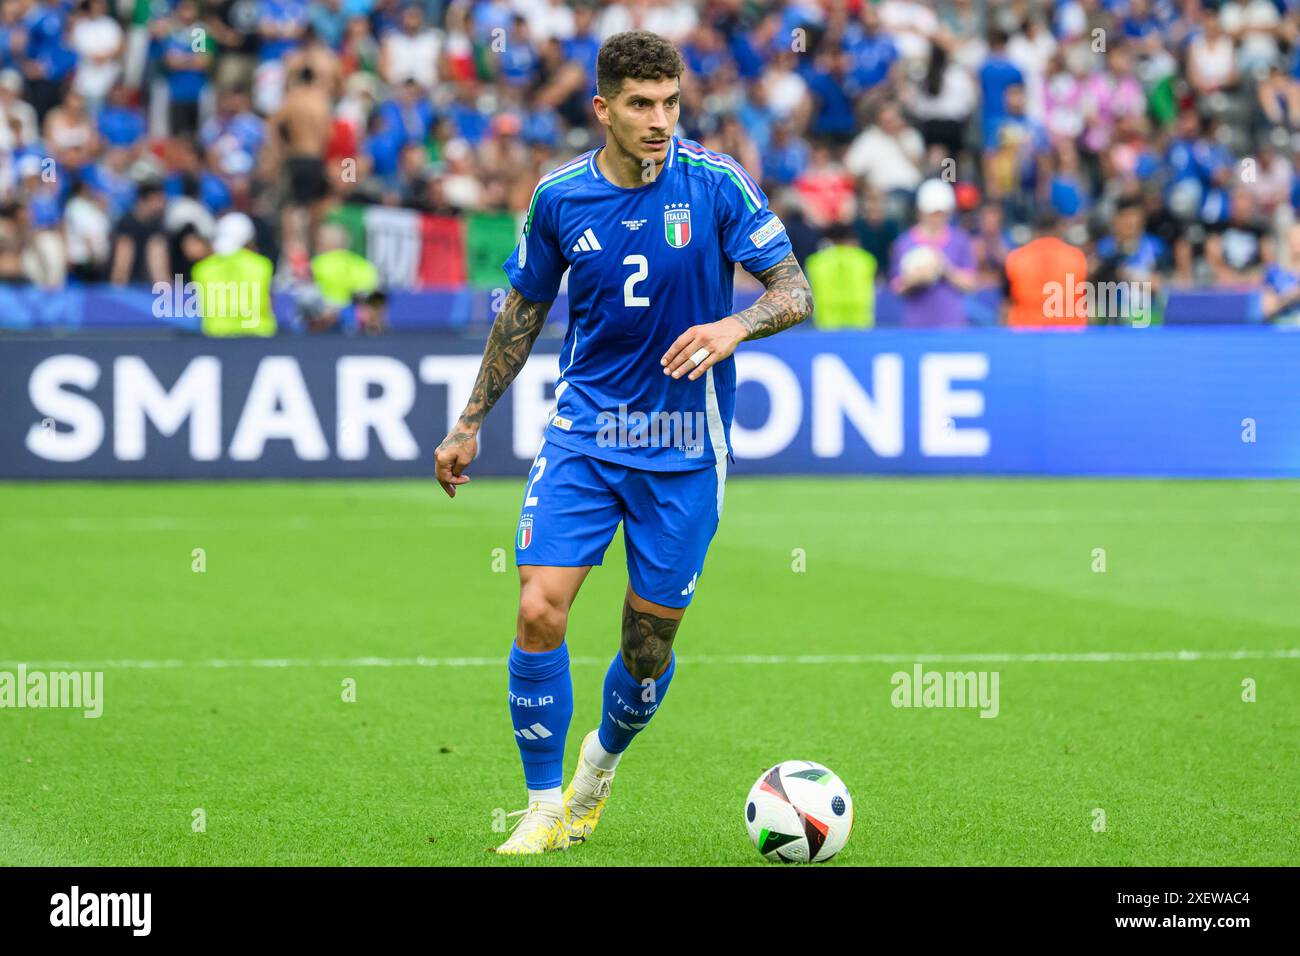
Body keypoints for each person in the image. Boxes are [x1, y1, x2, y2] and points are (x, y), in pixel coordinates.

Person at [433, 30, 813, 856]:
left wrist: (732, 325)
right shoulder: (560, 197)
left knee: (647, 648)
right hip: (588, 432)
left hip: (682, 446)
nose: (660, 120)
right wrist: (470, 422)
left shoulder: (714, 184)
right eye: (642, 104)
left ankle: (595, 774)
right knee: (538, 607)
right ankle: (541, 806)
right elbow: (523, 312)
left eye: (671, 103)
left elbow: (794, 290)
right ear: (603, 107)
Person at [192, 211, 276, 336]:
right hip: (259, 336)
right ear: (250, 240)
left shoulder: (201, 269)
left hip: (216, 338)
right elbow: (269, 303)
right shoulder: (263, 265)